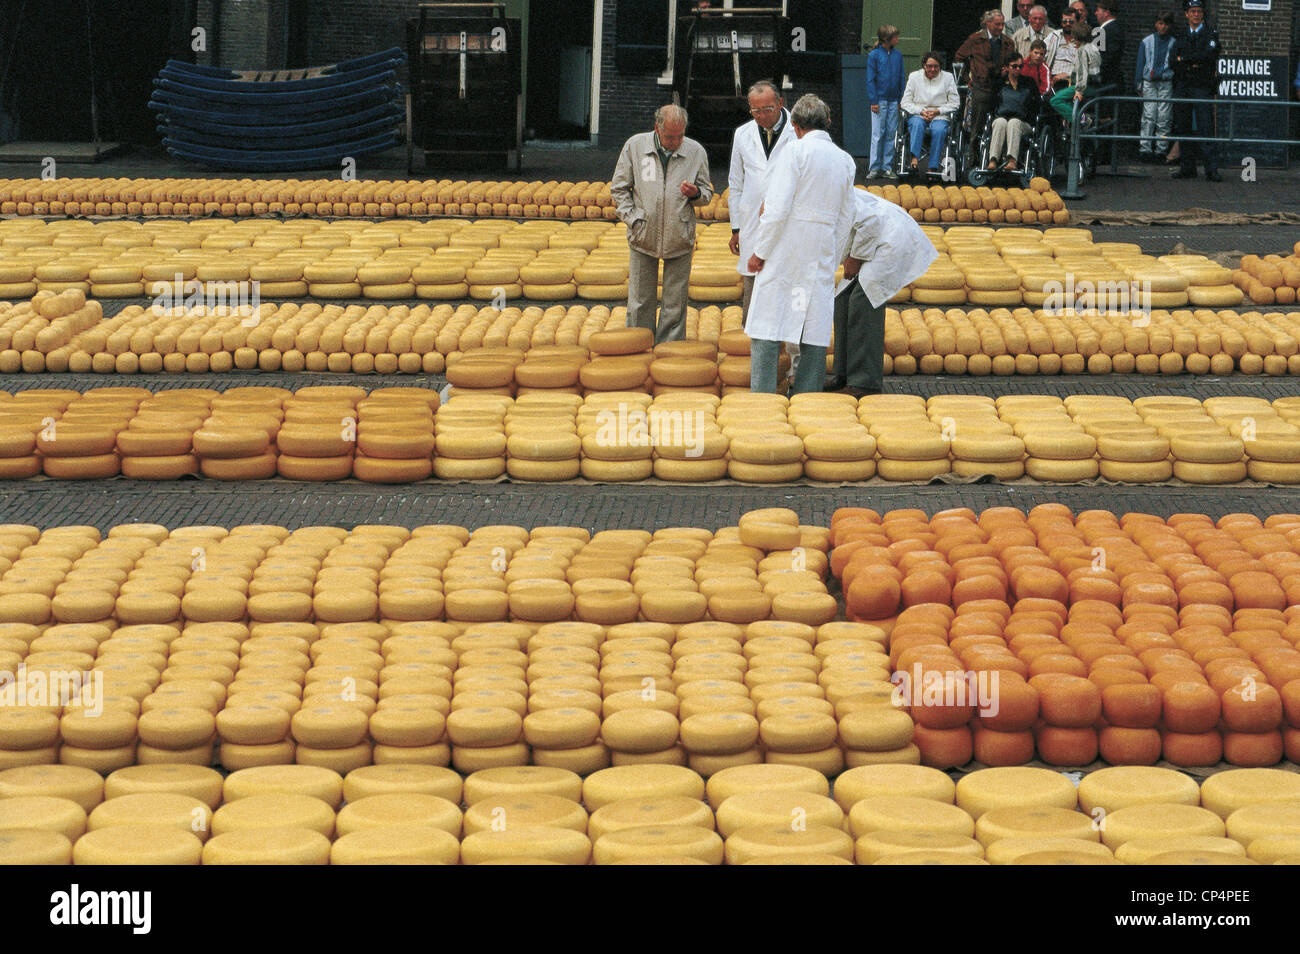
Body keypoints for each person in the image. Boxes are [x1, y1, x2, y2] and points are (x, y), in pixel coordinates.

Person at [746, 94, 855, 396]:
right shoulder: (845, 160)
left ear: (794, 125)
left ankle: (763, 398)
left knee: (768, 326)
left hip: (786, 251)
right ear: (828, 122)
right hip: (819, 253)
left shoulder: (795, 152)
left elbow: (776, 210)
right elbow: (847, 217)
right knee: (813, 330)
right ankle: (808, 400)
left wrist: (760, 252)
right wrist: (832, 256)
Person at [610, 104, 713, 344]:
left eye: (680, 136)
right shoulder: (635, 146)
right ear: (657, 128)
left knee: (675, 303)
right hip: (643, 234)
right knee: (640, 300)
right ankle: (639, 347)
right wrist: (632, 219)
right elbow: (619, 188)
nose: (675, 141)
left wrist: (696, 193)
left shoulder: (696, 151)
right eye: (669, 136)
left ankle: (670, 354)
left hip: (679, 235)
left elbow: (707, 193)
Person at [829, 189, 937, 397]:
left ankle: (864, 382)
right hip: (873, 239)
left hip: (890, 237)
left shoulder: (825, 193)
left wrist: (856, 257)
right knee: (842, 299)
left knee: (863, 300)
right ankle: (843, 375)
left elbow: (869, 222)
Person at [728, 80, 796, 324]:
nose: (761, 116)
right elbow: (735, 183)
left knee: (784, 282)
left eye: (767, 109)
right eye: (755, 111)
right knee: (753, 283)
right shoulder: (742, 134)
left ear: (780, 103)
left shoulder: (796, 133)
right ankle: (750, 341)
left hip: (787, 222)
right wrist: (736, 228)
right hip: (751, 223)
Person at [956, 10, 1020, 157]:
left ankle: (996, 158)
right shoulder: (976, 39)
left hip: (1001, 88)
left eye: (1002, 24)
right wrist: (967, 79)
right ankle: (973, 160)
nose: (1000, 27)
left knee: (1000, 124)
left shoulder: (1008, 43)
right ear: (988, 23)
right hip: (982, 87)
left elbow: (1012, 62)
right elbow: (959, 57)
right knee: (977, 127)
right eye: (997, 24)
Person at [1170, 0, 1222, 181]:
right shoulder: (1180, 35)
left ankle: (1211, 169)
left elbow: (1209, 56)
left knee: (1205, 127)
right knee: (1183, 127)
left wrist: (1185, 59)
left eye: (1199, 11)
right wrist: (1192, 62)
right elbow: (1172, 62)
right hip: (1183, 86)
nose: (1196, 15)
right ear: (1187, 14)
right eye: (1193, 11)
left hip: (1202, 86)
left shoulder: (1210, 34)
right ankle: (1187, 167)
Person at [901, 53, 961, 177]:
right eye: (929, 66)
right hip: (919, 113)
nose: (932, 69)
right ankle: (914, 160)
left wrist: (937, 111)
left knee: (939, 130)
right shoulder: (914, 77)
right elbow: (905, 102)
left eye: (936, 66)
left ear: (940, 66)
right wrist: (921, 111)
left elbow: (955, 103)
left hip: (940, 115)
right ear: (924, 66)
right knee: (917, 124)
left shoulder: (948, 77)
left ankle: (933, 167)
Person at [987, 54, 1041, 171]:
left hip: (1022, 122)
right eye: (1014, 66)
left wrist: (1029, 117)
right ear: (1006, 67)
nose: (1018, 69)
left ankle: (1012, 160)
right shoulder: (999, 83)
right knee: (1000, 122)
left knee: (1014, 122)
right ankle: (993, 159)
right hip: (1002, 117)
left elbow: (1037, 104)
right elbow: (992, 104)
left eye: (1020, 66)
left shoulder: (1029, 82)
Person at [1135, 11, 1176, 161]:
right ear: (1155, 24)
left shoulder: (1173, 43)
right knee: (1148, 116)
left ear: (1170, 25)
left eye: (1166, 24)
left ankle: (1161, 149)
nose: (1163, 27)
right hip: (1149, 83)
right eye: (1160, 23)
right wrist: (1138, 84)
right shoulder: (1146, 42)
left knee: (1164, 117)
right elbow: (1140, 62)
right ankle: (1145, 149)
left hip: (1165, 82)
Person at [865, 25, 905, 180]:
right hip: (880, 101)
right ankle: (874, 167)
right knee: (877, 134)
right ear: (887, 39)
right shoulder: (874, 55)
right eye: (895, 36)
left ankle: (887, 167)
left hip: (894, 101)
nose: (898, 39)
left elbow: (901, 77)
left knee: (890, 134)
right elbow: (870, 79)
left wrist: (900, 99)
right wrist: (873, 100)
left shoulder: (898, 55)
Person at [1050, 22, 1099, 124]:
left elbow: (1082, 72)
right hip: (1094, 85)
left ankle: (1082, 120)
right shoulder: (1093, 48)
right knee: (1065, 99)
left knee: (1055, 100)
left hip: (1085, 86)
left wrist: (1079, 91)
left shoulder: (1082, 51)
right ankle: (1079, 118)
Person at [1051, 8, 1079, 89]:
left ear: (1077, 22)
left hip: (1072, 80)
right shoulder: (1054, 35)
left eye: (1071, 22)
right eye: (1064, 22)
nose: (1067, 24)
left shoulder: (1082, 39)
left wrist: (1068, 74)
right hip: (1052, 78)